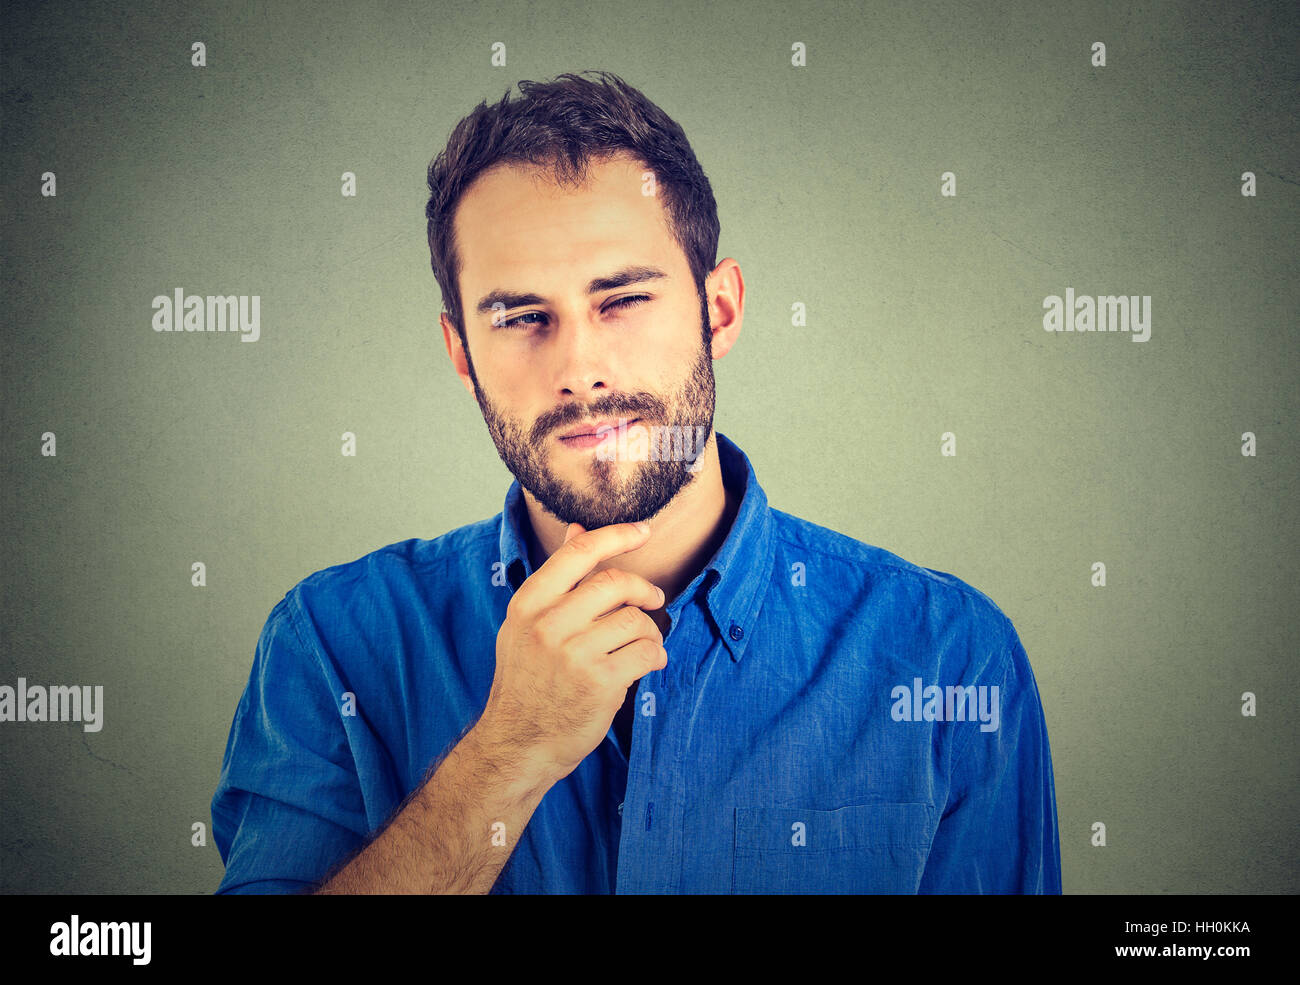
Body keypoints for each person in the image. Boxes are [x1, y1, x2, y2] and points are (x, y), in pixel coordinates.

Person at [211, 70, 1062, 894]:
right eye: (521, 316)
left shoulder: (950, 658)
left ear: (718, 309)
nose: (581, 368)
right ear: (461, 354)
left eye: (621, 300)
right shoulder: (328, 645)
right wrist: (505, 756)